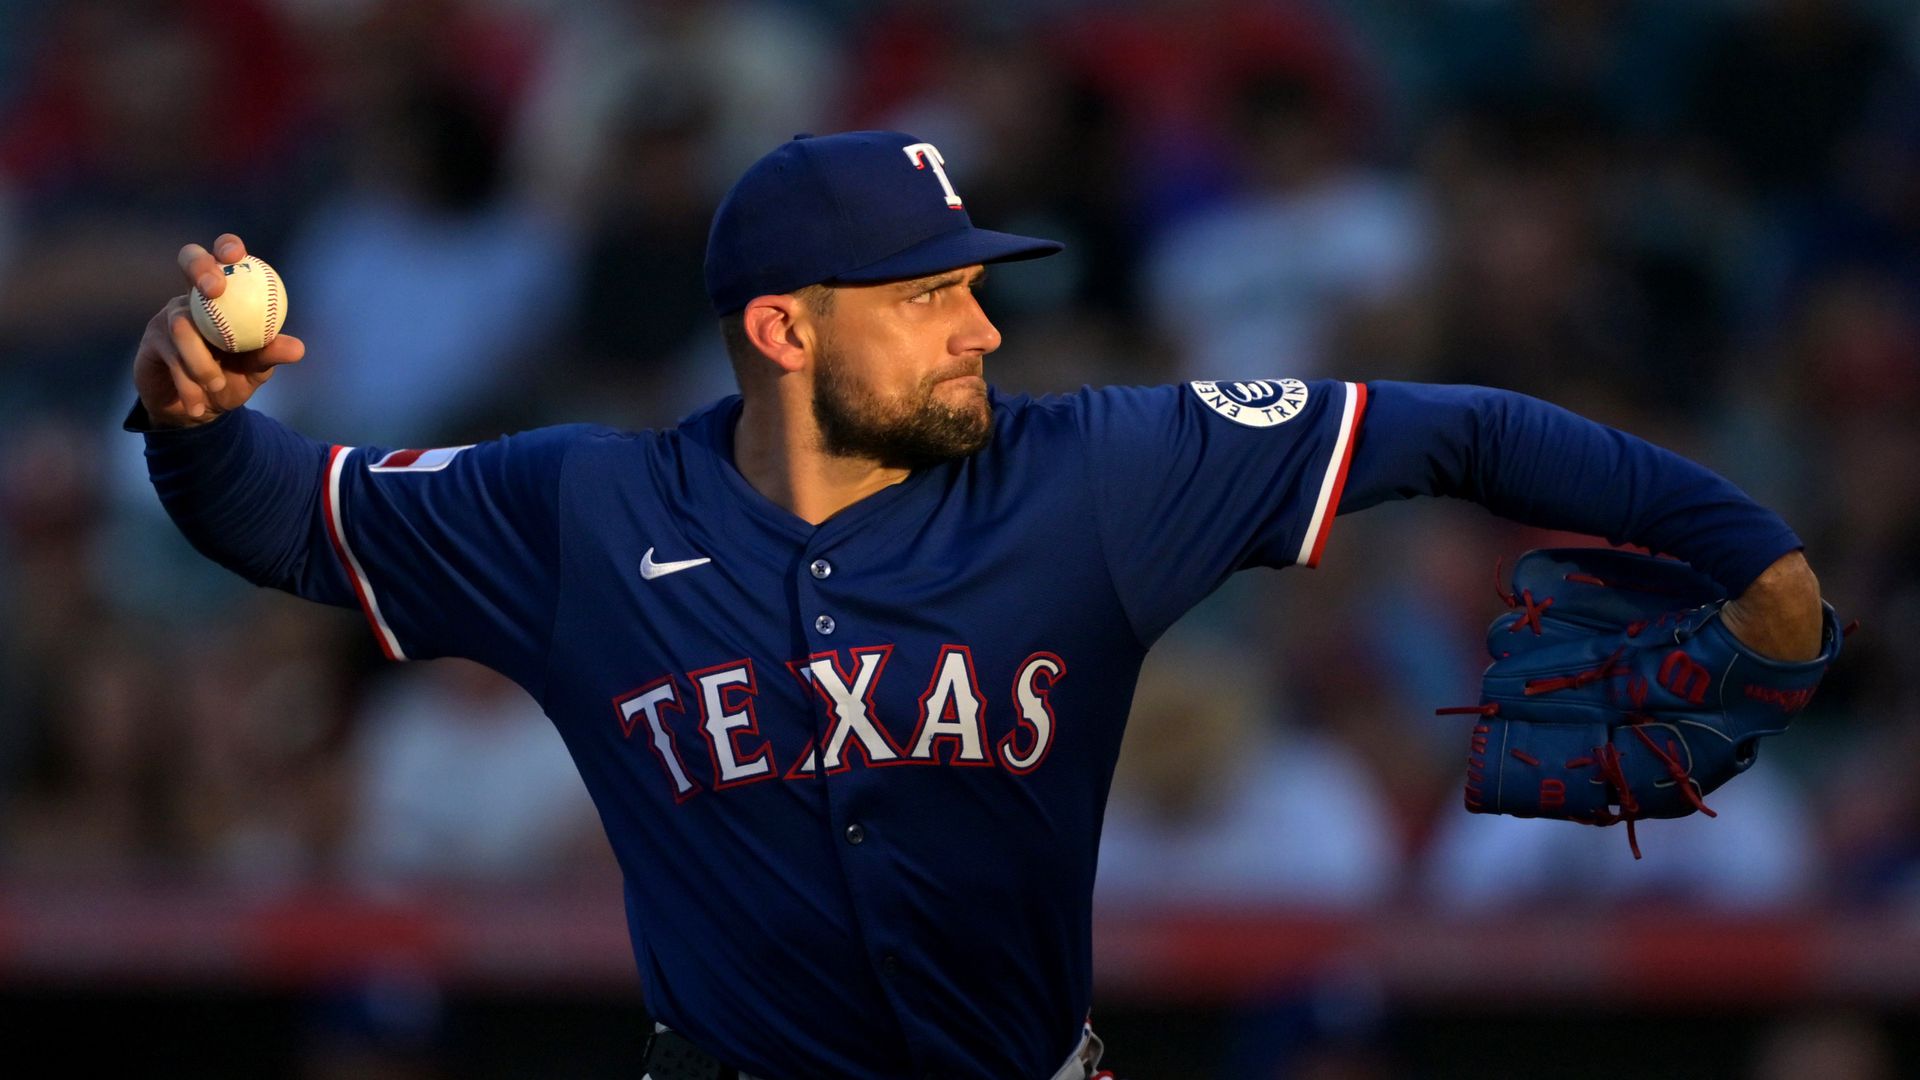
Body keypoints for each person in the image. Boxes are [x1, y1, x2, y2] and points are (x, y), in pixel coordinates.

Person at [129, 130, 1825, 1080]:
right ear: (787, 332)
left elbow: (1453, 429)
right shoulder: (580, 509)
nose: (983, 328)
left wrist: (1748, 552)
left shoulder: (1094, 474)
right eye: (934, 293)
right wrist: (197, 428)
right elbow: (291, 516)